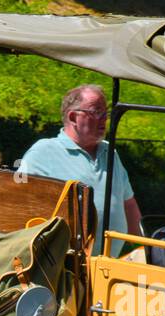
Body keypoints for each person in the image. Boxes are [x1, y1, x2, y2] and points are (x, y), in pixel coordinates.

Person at [19, 84, 142, 256]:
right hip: (63, 270)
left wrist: (145, 248)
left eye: (105, 113)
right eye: (96, 112)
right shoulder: (43, 152)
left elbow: (128, 204)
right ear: (73, 117)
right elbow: (20, 205)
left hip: (109, 268)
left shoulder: (111, 152)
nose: (104, 119)